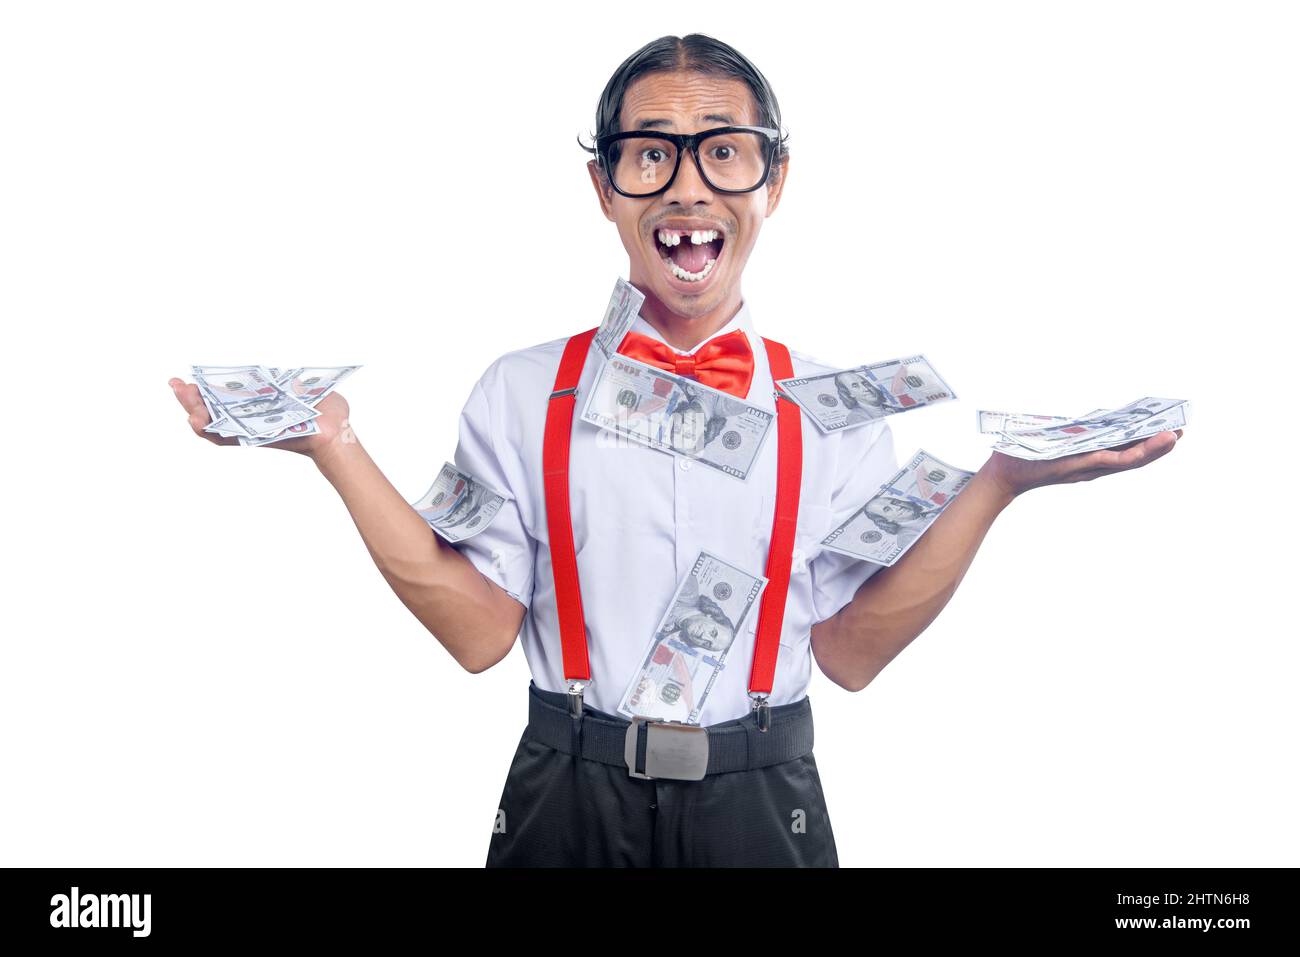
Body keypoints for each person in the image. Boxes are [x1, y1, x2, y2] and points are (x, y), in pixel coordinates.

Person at [168, 33, 1183, 867]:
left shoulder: (832, 409)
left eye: (724, 150)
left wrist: (1000, 484)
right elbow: (479, 638)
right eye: (649, 152)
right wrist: (335, 450)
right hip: (566, 791)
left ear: (773, 180)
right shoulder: (521, 391)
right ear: (604, 186)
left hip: (761, 795)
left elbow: (851, 655)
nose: (688, 186)